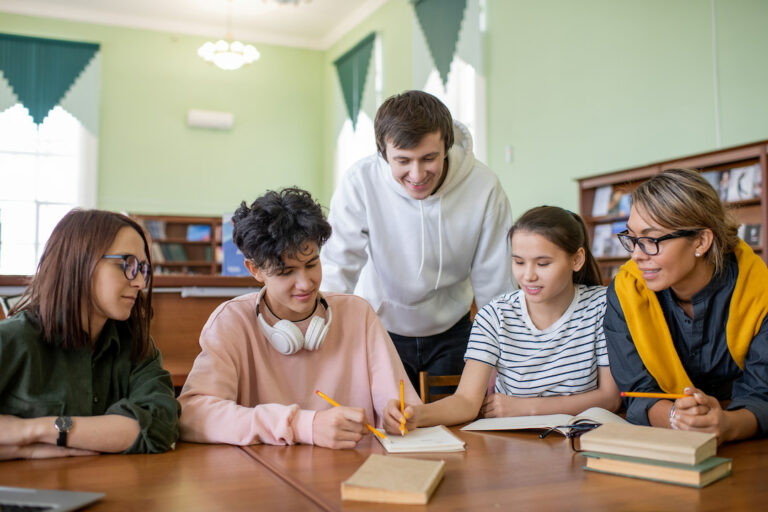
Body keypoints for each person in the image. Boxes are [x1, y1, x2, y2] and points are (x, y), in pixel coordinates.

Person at [178, 188, 419, 449]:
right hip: (263, 479)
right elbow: (193, 414)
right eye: (286, 272)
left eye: (312, 264)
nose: (305, 283)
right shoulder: (231, 322)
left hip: (352, 474)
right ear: (255, 270)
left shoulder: (359, 315)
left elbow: (402, 406)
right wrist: (305, 426)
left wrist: (401, 415)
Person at [321, 90, 514, 393]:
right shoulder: (360, 182)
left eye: (429, 158)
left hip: (454, 331)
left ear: (446, 146)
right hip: (382, 328)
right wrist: (322, 335)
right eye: (403, 161)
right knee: (390, 427)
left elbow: (496, 282)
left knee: (456, 427)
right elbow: (337, 268)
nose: (417, 174)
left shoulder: (484, 186)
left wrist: (499, 358)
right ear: (383, 154)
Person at [384, 206, 620, 432]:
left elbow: (609, 398)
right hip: (514, 446)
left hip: (582, 442)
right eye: (518, 262)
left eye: (543, 263)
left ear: (577, 260)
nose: (528, 276)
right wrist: (417, 414)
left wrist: (526, 408)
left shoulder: (602, 306)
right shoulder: (495, 315)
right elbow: (466, 400)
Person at [0, 209, 180, 460]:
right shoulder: (13, 339)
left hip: (112, 491)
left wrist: (29, 431)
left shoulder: (137, 345)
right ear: (79, 261)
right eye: (128, 265)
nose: (140, 282)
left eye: (143, 269)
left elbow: (160, 425)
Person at [604, 168, 768, 442]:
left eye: (651, 240)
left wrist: (725, 424)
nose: (636, 255)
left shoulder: (758, 290)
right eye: (632, 238)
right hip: (666, 440)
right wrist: (676, 418)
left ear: (701, 241)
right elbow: (637, 392)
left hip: (747, 443)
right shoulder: (626, 291)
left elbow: (762, 394)